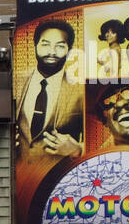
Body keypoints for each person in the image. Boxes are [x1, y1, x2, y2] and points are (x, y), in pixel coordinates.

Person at [16, 18, 83, 162]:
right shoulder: (16, 81)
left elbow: (104, 136)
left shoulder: (80, 89)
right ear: (35, 45)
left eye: (60, 46)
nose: (51, 52)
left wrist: (79, 149)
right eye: (45, 44)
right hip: (20, 176)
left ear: (69, 50)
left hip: (58, 177)